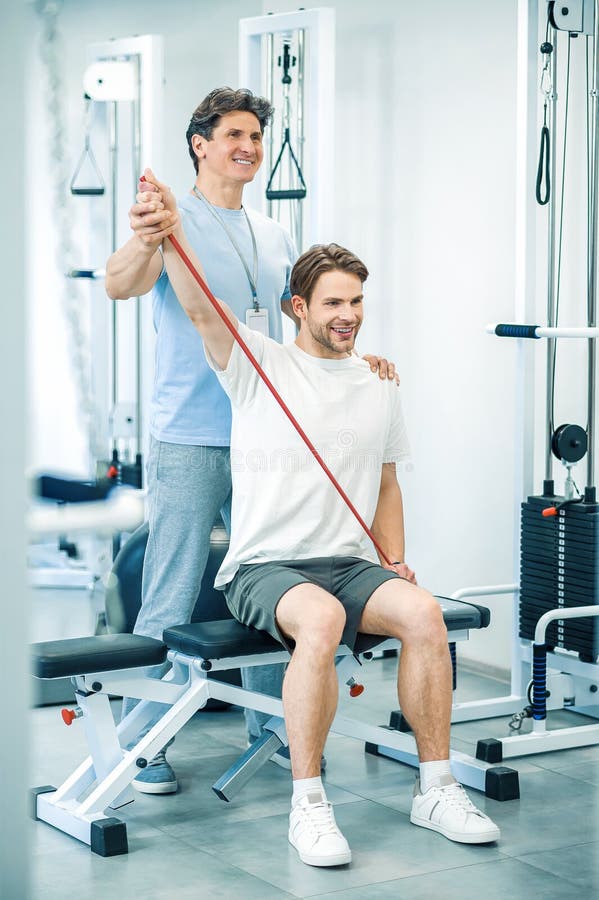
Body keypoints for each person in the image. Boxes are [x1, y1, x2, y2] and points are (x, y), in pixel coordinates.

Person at [144, 168, 501, 867]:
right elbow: (198, 310)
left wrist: (393, 558)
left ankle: (436, 787)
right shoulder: (257, 366)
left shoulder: (378, 382)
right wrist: (172, 233)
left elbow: (387, 482)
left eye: (358, 301)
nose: (350, 314)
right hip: (264, 567)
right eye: (334, 302)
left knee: (423, 614)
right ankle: (307, 805)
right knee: (320, 620)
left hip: (350, 564)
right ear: (296, 307)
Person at [105, 87, 397, 794]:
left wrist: (361, 360)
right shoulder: (171, 218)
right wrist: (149, 234)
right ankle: (142, 747)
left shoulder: (273, 232)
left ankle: (276, 730)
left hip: (269, 439)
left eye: (256, 136)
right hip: (193, 435)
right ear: (199, 143)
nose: (248, 147)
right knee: (172, 593)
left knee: (276, 584)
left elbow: (309, 317)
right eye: (233, 133)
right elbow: (120, 285)